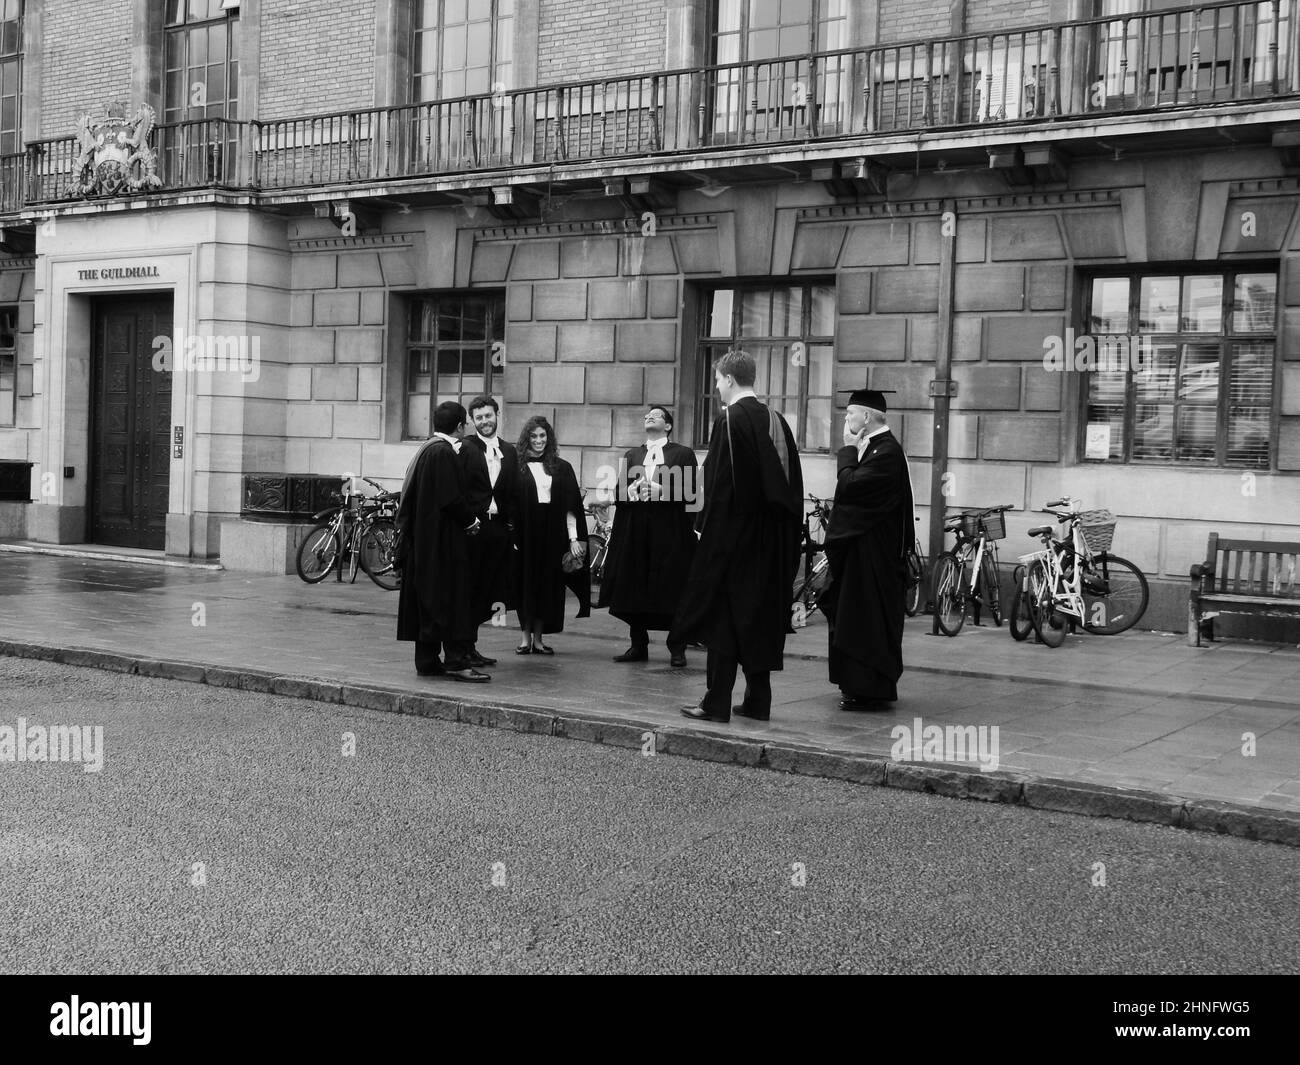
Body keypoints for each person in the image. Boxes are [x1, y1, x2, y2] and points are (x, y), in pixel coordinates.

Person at [672, 350, 803, 723]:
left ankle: (716, 703)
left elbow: (719, 487)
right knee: (760, 619)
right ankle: (758, 702)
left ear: (729, 379)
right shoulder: (777, 420)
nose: (715, 387)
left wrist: (703, 534)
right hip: (772, 542)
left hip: (736, 542)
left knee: (724, 621)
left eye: (716, 380)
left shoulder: (729, 421)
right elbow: (792, 484)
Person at [820, 389, 914, 711]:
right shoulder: (874, 449)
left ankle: (869, 689)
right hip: (863, 558)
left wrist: (847, 450)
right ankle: (857, 686)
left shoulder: (885, 452)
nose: (846, 420)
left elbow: (850, 488)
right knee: (855, 621)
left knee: (868, 624)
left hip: (876, 563)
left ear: (868, 418)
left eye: (850, 415)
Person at [394, 401, 489, 683]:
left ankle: (426, 660)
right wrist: (471, 522)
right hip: (443, 542)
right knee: (452, 599)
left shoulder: (426, 449)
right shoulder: (444, 453)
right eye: (466, 424)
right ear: (460, 426)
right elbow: (450, 498)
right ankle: (457, 661)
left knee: (428, 600)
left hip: (423, 541)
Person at [599, 405, 699, 667]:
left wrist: (661, 490)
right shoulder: (632, 455)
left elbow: (692, 494)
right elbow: (620, 493)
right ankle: (638, 644)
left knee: (672, 587)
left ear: (667, 426)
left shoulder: (683, 453)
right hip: (636, 533)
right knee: (635, 586)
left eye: (656, 415)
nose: (649, 416)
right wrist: (629, 491)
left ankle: (677, 647)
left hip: (670, 533)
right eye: (647, 415)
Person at [512, 415, 588, 655]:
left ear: (549, 438)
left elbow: (571, 507)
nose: (538, 440)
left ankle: (539, 639)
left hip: (552, 534)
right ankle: (525, 638)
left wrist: (574, 539)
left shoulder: (561, 467)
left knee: (548, 586)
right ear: (527, 438)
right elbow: (509, 504)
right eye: (533, 436)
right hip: (524, 535)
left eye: (542, 436)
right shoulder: (516, 466)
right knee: (525, 584)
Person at [459, 395, 518, 668]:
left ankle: (472, 645)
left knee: (492, 588)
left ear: (498, 415)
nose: (485, 421)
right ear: (472, 421)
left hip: (499, 529)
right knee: (469, 587)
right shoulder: (465, 447)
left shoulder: (510, 450)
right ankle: (464, 647)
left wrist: (512, 525)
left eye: (488, 416)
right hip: (474, 528)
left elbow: (513, 489)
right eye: (479, 417)